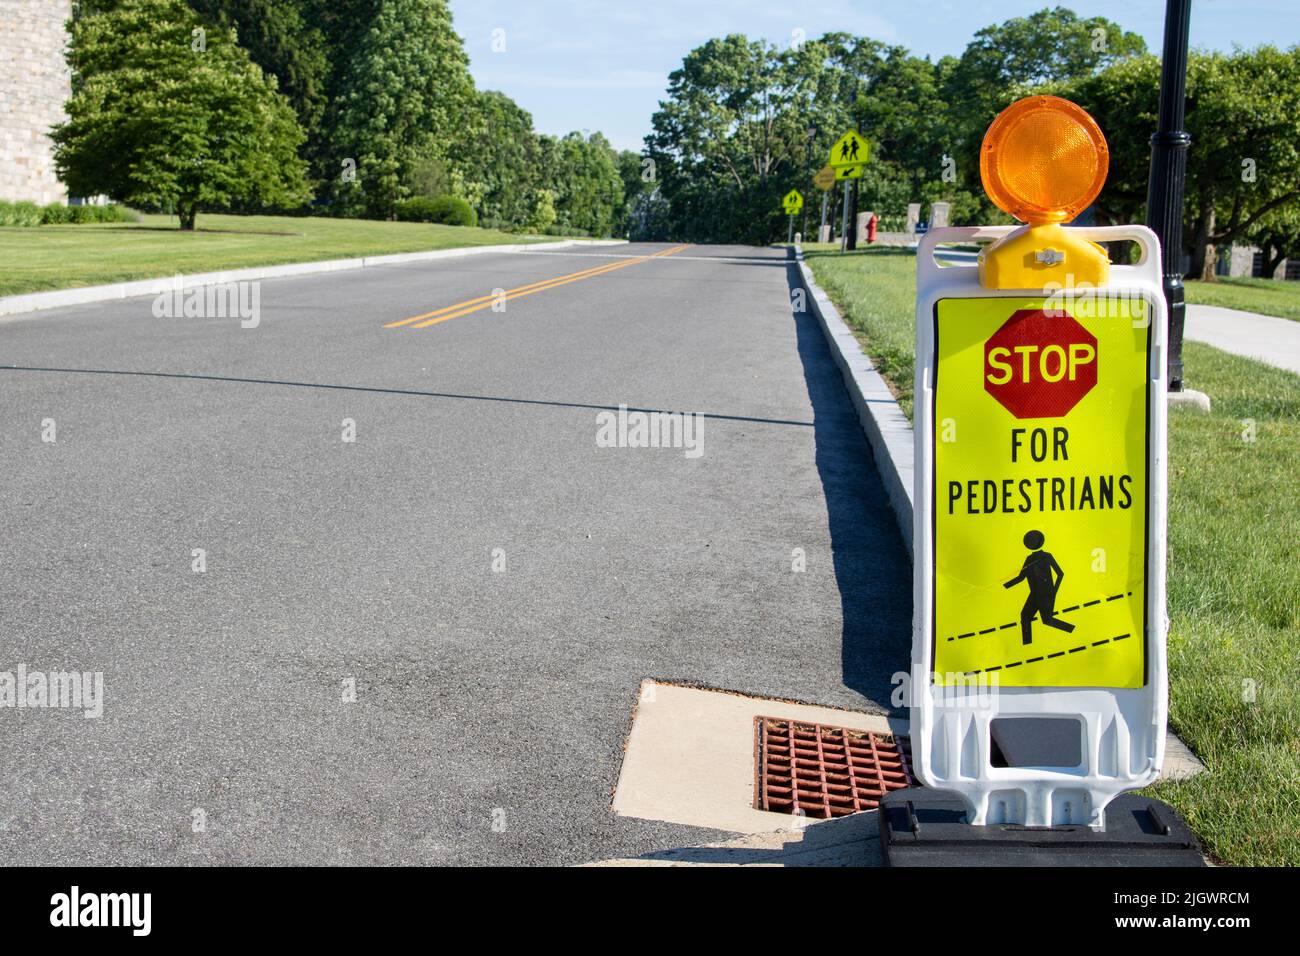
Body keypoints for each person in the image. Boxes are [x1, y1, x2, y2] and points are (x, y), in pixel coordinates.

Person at [1003, 530, 1075, 646]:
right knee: (1025, 616)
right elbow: (1021, 577)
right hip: (1034, 594)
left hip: (1046, 594)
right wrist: (1004, 586)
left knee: (1047, 620)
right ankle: (1027, 644)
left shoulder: (1047, 556)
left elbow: (1060, 574)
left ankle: (1073, 630)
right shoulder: (1029, 559)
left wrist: (1053, 592)